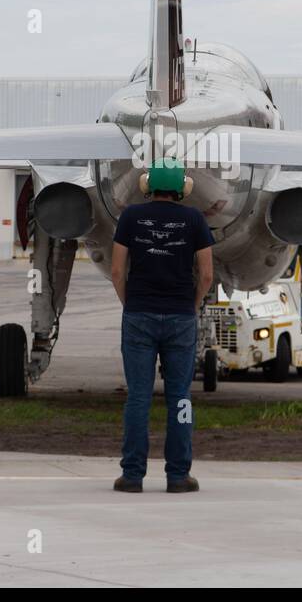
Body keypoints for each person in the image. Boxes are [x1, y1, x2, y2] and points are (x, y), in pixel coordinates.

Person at [110, 158, 214, 493]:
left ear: (147, 186)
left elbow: (116, 271)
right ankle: (178, 475)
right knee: (180, 398)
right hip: (181, 316)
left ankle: (132, 475)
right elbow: (208, 274)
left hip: (139, 313)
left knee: (138, 398)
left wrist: (131, 304)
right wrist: (192, 305)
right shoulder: (195, 219)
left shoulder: (130, 217)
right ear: (182, 188)